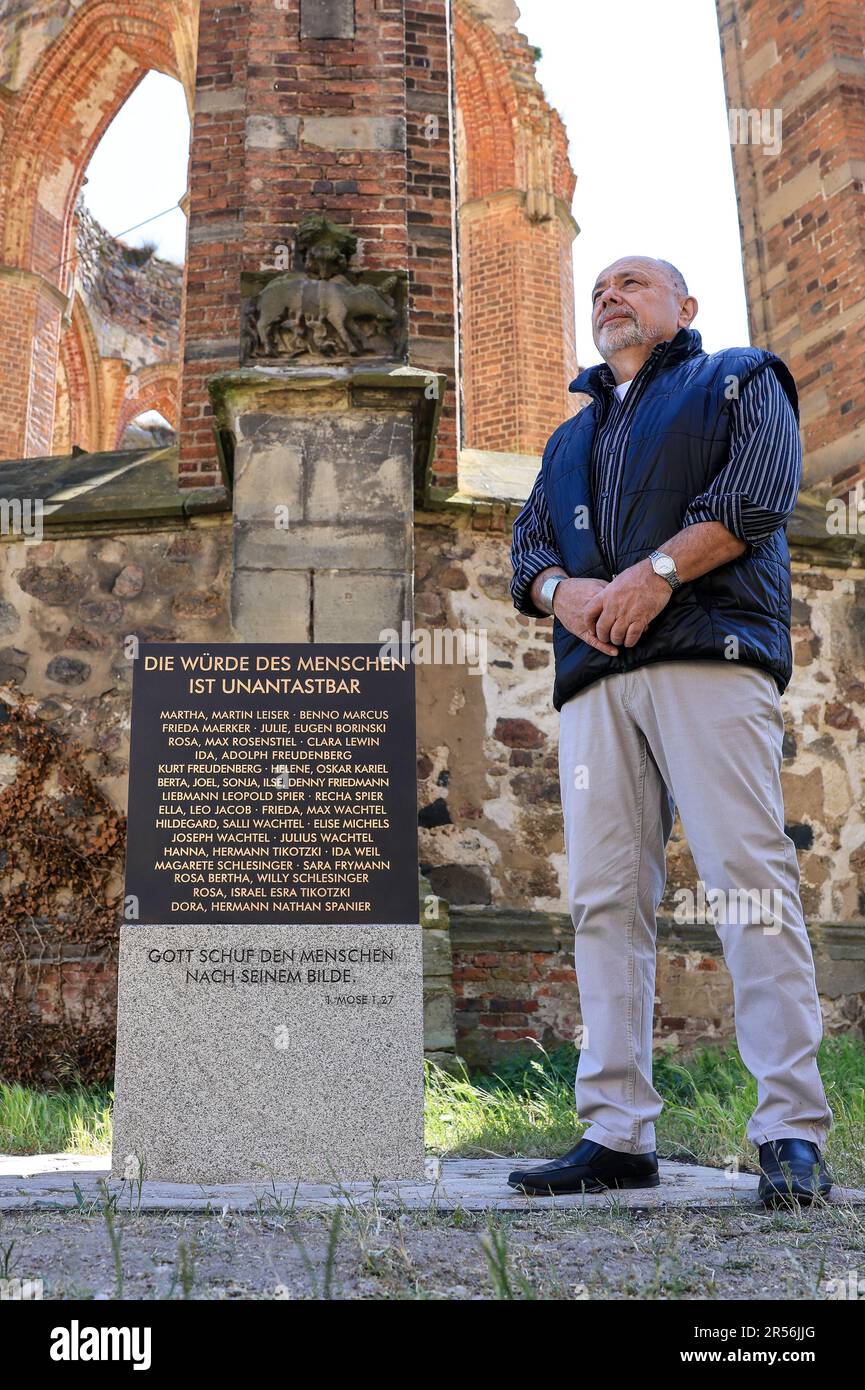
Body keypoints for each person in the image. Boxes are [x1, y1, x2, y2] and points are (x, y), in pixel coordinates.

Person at [507, 256, 833, 1207]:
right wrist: (565, 594)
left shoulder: (737, 376)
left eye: (635, 285)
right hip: (595, 683)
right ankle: (614, 1134)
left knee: (747, 880)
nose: (611, 296)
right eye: (600, 288)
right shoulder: (565, 440)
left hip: (707, 654)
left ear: (682, 308)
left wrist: (651, 574)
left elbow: (758, 493)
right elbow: (526, 550)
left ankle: (787, 1130)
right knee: (605, 898)